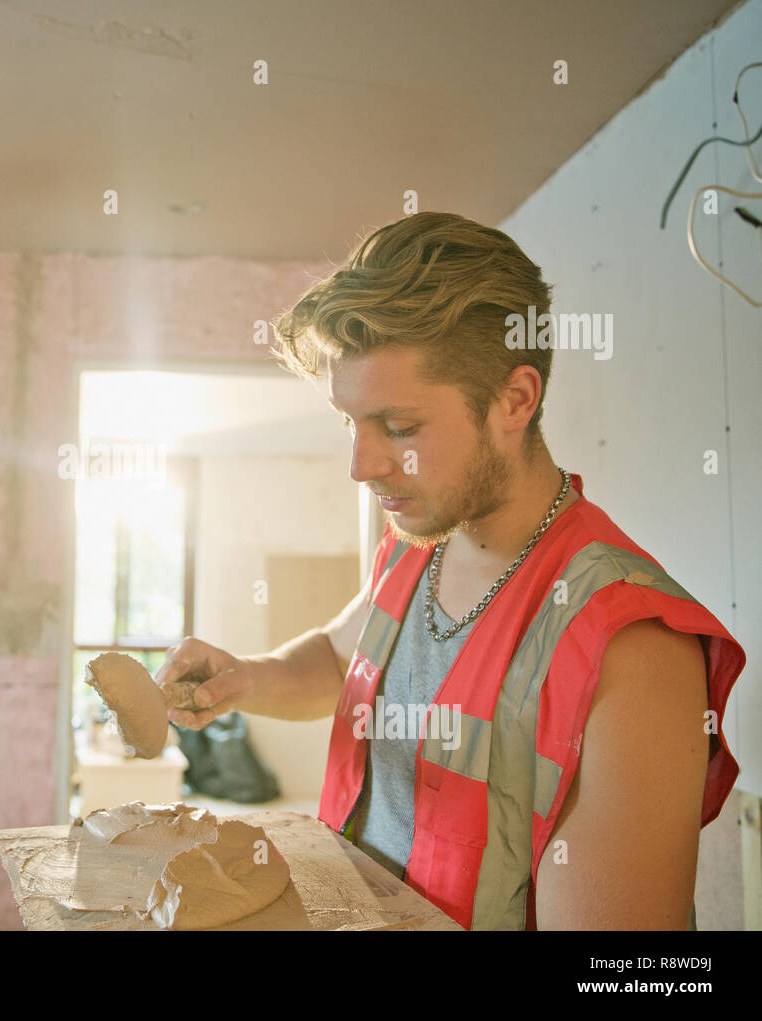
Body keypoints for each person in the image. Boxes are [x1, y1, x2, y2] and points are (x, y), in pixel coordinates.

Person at [155, 211, 744, 931]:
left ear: (515, 400)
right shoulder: (418, 540)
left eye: (399, 428)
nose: (361, 466)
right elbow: (346, 659)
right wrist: (243, 677)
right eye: (351, 423)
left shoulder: (630, 646)